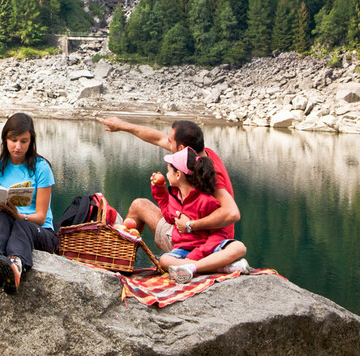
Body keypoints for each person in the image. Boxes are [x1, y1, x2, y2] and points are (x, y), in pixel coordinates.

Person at [97, 116, 248, 276]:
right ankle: (205, 265)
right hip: (196, 231)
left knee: (139, 206)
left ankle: (119, 265)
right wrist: (122, 125)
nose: (167, 143)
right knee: (143, 206)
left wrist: (190, 224)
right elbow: (157, 138)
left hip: (202, 239)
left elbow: (232, 213)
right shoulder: (197, 159)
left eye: (170, 142)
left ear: (182, 147)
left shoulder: (211, 174)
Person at [0, 113, 58, 295]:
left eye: (24, 141)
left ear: (31, 141)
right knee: (2, 215)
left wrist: (20, 216)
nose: (18, 146)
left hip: (40, 231)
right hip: (9, 226)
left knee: (21, 224)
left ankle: (15, 266)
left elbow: (41, 217)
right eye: (13, 140)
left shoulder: (41, 167)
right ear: (5, 139)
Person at [151, 148, 248, 283]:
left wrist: (196, 256)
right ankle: (218, 268)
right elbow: (168, 217)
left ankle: (192, 267)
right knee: (164, 260)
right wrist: (159, 190)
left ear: (178, 175)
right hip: (183, 250)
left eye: (168, 171)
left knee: (238, 247)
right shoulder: (175, 195)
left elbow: (219, 234)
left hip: (209, 250)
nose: (166, 174)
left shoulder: (205, 200)